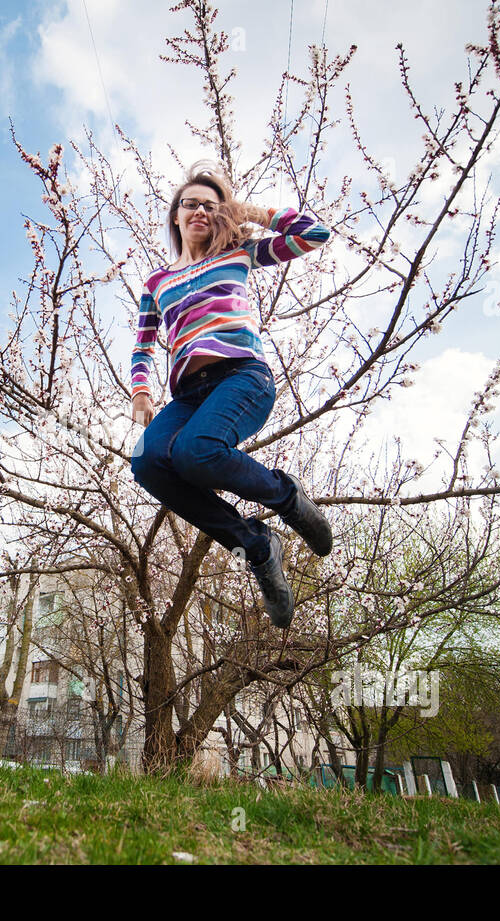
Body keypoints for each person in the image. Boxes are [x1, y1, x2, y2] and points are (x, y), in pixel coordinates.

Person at [129, 160, 333, 629]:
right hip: (188, 394)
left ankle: (287, 498)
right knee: (147, 461)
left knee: (196, 452)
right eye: (190, 204)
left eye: (210, 205)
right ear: (176, 216)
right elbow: (142, 345)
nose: (199, 210)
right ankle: (259, 549)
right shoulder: (156, 283)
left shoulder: (239, 253)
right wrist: (141, 392)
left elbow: (313, 234)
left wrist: (249, 211)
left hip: (243, 377)